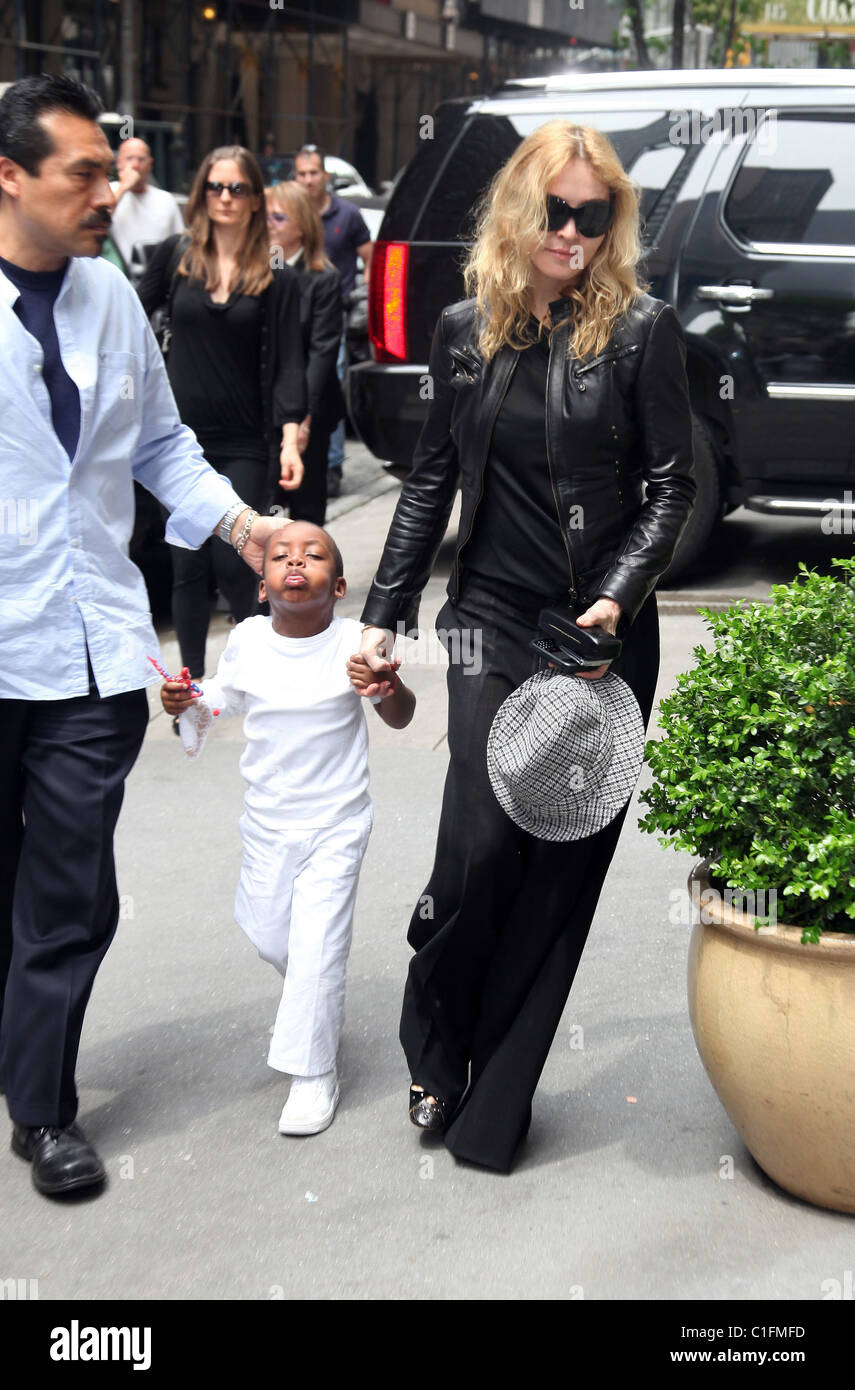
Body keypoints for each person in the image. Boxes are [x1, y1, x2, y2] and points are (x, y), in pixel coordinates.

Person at [357, 120, 696, 1173]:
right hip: (489, 623)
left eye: (593, 216)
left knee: (557, 872)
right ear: (518, 208)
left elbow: (673, 485)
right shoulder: (466, 328)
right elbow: (426, 482)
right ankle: (436, 1022)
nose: (571, 233)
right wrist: (384, 608)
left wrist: (617, 592)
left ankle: (494, 1096)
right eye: (554, 210)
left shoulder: (642, 331)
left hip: (594, 634)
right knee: (482, 848)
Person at [0, 75, 286, 1197]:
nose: (106, 193)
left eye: (106, 173)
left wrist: (243, 523)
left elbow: (161, 444)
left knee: (73, 889)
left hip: (90, 647)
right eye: (80, 172)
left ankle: (43, 1110)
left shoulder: (111, 296)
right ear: (9, 176)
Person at [161, 523, 415, 1135]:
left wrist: (385, 687)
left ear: (341, 584)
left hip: (337, 822)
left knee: (316, 949)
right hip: (268, 823)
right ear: (261, 585)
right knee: (274, 938)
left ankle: (313, 1072)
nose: (295, 562)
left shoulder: (357, 641)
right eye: (280, 555)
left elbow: (401, 714)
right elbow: (227, 695)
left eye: (313, 554)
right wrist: (189, 699)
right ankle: (311, 1001)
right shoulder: (247, 639)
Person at [139, 145, 305, 681]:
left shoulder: (275, 272)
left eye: (237, 188)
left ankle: (252, 672)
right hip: (179, 438)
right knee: (186, 560)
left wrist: (288, 440)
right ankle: (189, 684)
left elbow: (288, 361)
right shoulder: (176, 255)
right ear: (202, 193)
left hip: (244, 439)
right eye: (216, 187)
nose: (225, 198)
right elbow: (131, 323)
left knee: (235, 558)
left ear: (256, 198)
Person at [293, 144, 372, 499]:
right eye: (302, 174)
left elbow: (370, 259)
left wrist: (362, 294)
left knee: (330, 378)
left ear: (325, 176)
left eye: (313, 173)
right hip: (294, 313)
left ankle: (332, 464)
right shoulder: (288, 214)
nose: (308, 180)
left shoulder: (348, 215)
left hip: (335, 312)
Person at [266, 181, 344, 525]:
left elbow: (322, 351)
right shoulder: (256, 271)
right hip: (266, 407)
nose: (269, 224)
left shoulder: (322, 278)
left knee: (307, 509)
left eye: (279, 218)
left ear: (303, 226)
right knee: (264, 503)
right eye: (265, 216)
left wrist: (301, 420)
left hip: (312, 405)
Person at [109, 137, 184, 281]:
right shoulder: (109, 192)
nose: (135, 165)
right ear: (119, 163)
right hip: (118, 277)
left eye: (141, 159)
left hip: (156, 280)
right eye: (129, 158)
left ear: (150, 164)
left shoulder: (166, 200)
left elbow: (179, 243)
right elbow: (101, 219)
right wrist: (124, 187)